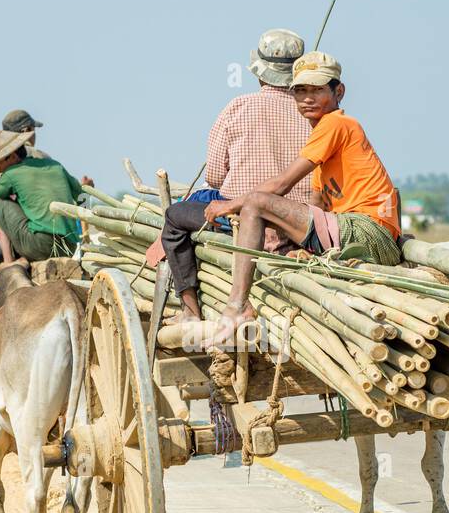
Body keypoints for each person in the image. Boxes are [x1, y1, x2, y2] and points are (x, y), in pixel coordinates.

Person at [203, 51, 402, 341]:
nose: (308, 98)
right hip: (353, 233)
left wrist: (229, 204)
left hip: (369, 234)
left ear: (339, 92)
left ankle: (237, 305)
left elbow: (283, 184)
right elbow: (315, 203)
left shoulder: (338, 124)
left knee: (256, 203)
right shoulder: (323, 138)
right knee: (260, 209)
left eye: (318, 90)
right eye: (301, 91)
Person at [159, 28, 312, 322]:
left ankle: (190, 311)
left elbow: (215, 176)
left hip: (243, 222)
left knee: (174, 217)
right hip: (301, 223)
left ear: (259, 73)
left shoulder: (238, 107)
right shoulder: (313, 114)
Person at [0, 129, 84, 264]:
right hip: (70, 247)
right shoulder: (55, 166)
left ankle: (8, 262)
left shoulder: (11, 174)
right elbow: (81, 194)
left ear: (13, 156)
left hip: (40, 246)